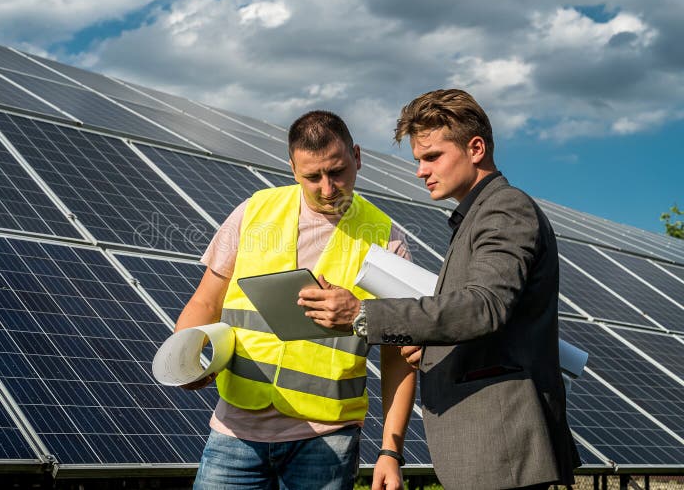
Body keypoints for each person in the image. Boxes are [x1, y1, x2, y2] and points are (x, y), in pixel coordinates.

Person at [299, 90, 581, 489]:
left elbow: (484, 308)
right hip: (489, 448)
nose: (420, 171)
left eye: (432, 157)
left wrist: (362, 314)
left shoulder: (505, 209)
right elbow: (489, 323)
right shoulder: (477, 216)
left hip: (500, 446)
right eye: (417, 159)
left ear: (476, 148)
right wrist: (432, 347)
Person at [176, 110, 417, 490]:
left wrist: (391, 450)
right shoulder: (252, 212)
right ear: (292, 168)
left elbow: (399, 356)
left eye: (337, 171)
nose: (327, 188)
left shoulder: (387, 239)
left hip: (328, 440)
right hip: (235, 432)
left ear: (357, 156)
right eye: (312, 176)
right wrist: (186, 358)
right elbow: (205, 302)